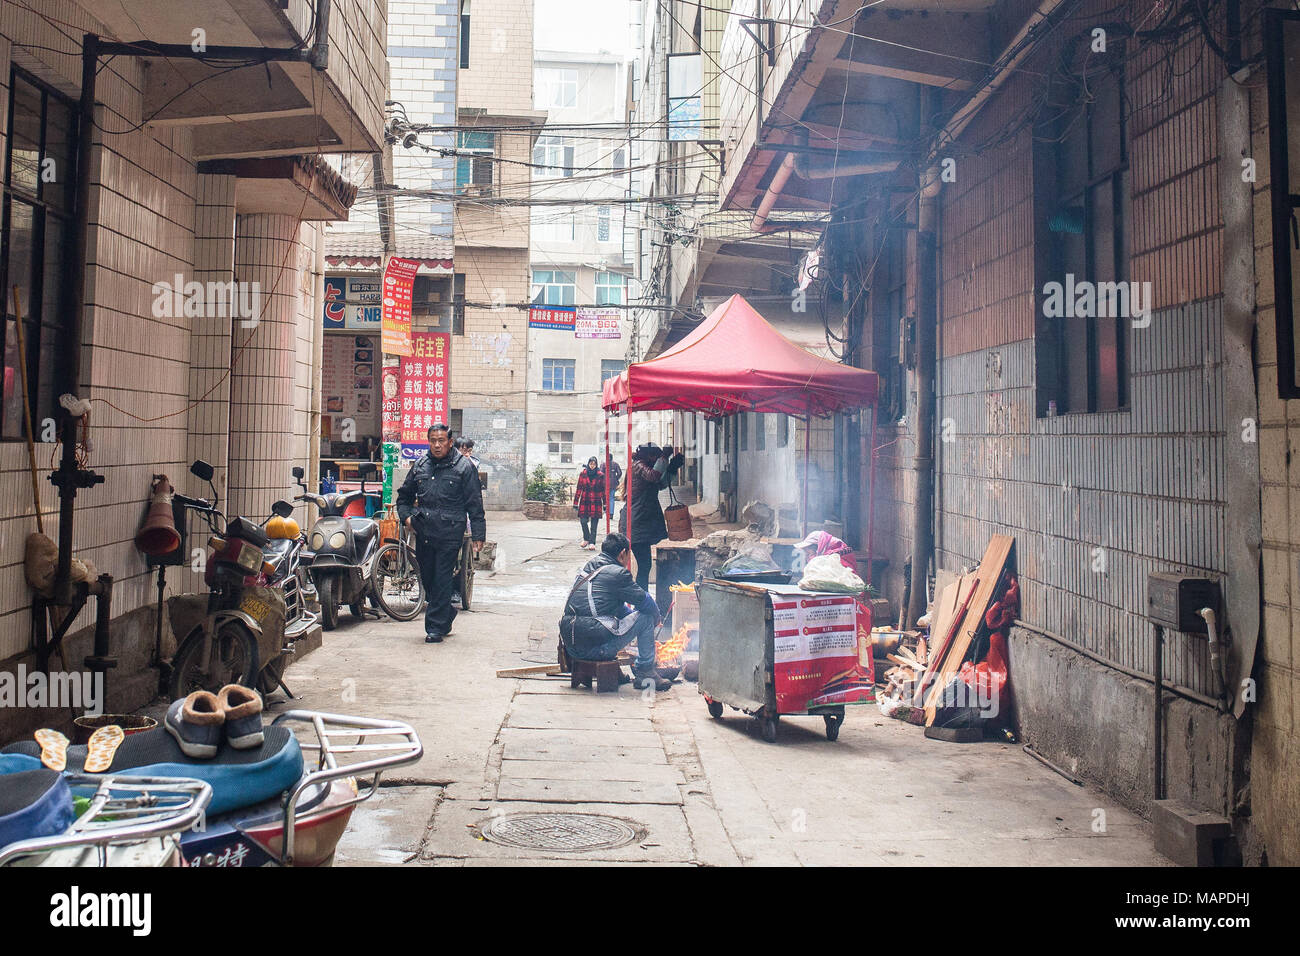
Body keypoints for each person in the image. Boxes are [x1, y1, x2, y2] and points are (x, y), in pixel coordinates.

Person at [396, 423, 485, 643]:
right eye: (433, 441)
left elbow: (475, 503)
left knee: (442, 577)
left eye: (441, 441)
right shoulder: (420, 465)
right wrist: (406, 517)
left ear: (450, 442)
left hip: (450, 532)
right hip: (424, 530)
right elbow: (404, 497)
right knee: (427, 577)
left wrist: (478, 535)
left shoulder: (464, 468)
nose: (437, 445)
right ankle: (447, 613)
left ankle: (434, 628)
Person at [559, 532, 671, 692]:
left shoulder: (589, 566)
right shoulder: (618, 573)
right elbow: (645, 602)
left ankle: (616, 672)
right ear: (622, 554)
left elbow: (616, 609)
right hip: (596, 648)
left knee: (614, 620)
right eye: (628, 554)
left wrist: (632, 623)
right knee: (646, 618)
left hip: (572, 647)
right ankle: (645, 672)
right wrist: (656, 619)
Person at [619, 443, 685, 591]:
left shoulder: (642, 466)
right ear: (649, 456)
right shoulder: (638, 466)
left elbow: (660, 484)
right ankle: (642, 599)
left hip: (642, 521)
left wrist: (672, 467)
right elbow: (654, 476)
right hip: (635, 522)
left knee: (645, 566)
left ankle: (643, 598)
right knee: (644, 566)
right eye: (655, 457)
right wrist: (664, 458)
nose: (656, 461)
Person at [572, 457, 607, 550]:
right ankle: (586, 538)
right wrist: (575, 502)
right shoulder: (583, 474)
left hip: (596, 500)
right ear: (588, 464)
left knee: (594, 523)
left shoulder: (600, 475)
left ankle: (592, 542)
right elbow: (579, 488)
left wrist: (605, 503)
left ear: (596, 465)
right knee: (583, 521)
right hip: (585, 500)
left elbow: (603, 490)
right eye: (591, 464)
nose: (592, 466)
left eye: (594, 464)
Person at [794, 530, 858, 573]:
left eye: (809, 554)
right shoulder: (827, 556)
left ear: (818, 548)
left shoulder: (836, 557)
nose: (807, 558)